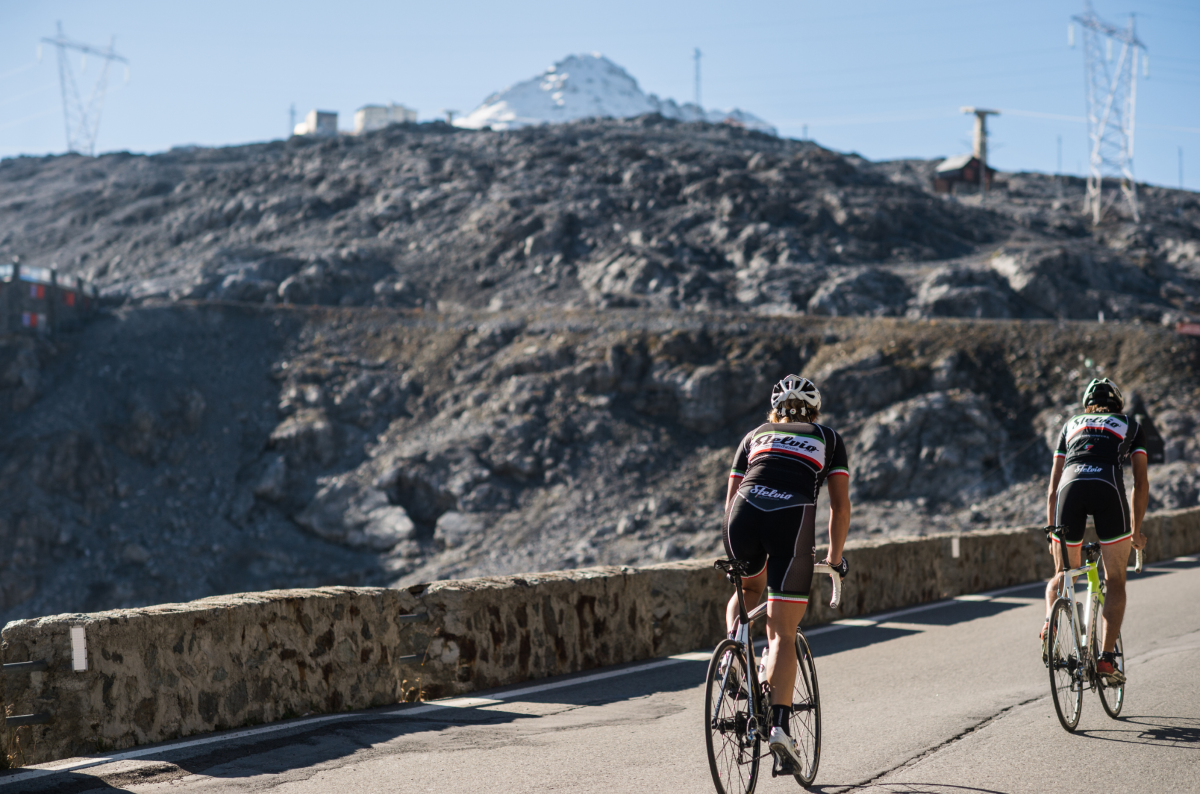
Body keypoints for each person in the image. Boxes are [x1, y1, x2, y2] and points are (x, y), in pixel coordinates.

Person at [722, 374, 850, 772]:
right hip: (791, 517)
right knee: (782, 631)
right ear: (814, 410)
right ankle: (779, 727)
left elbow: (730, 497)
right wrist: (834, 557)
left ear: (774, 409)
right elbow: (840, 507)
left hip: (741, 516)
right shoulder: (827, 438)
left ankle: (734, 653)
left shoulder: (754, 436)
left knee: (747, 588)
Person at [1043, 378, 1149, 683]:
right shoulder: (1131, 424)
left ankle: (1050, 625)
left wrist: (1053, 532)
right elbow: (1140, 483)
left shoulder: (1071, 424)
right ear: (1118, 404)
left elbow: (1052, 488)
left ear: (1086, 405)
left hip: (1069, 489)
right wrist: (1135, 532)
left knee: (1063, 575)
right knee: (1115, 580)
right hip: (1107, 488)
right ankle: (1105, 659)